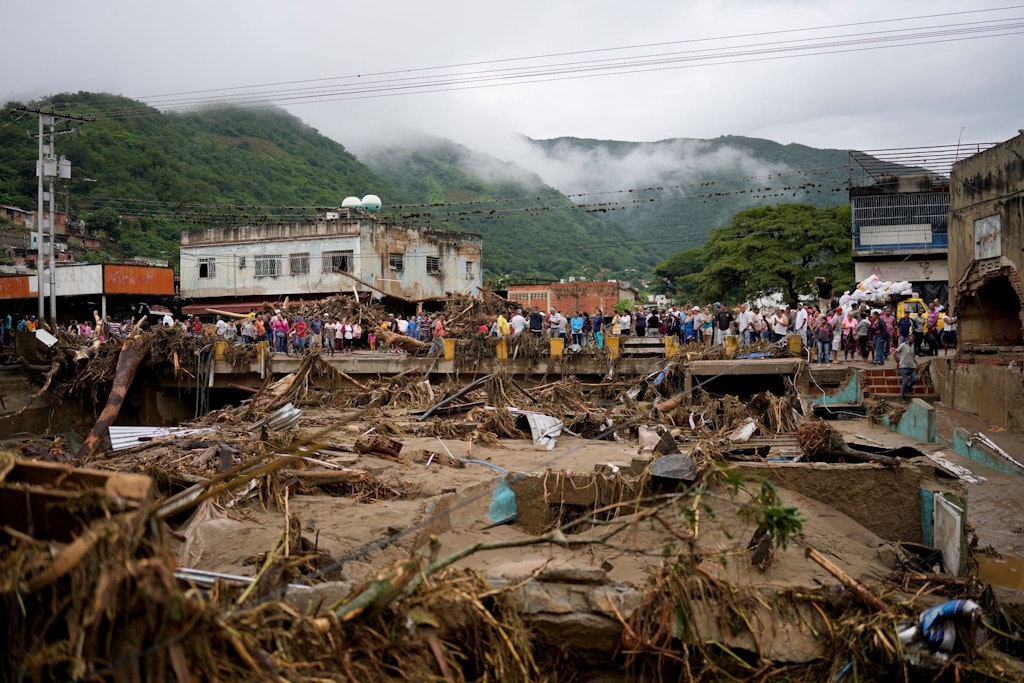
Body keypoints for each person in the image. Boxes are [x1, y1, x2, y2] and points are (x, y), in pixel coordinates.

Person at [897, 334, 917, 403]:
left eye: (913, 339)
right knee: (905, 382)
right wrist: (897, 362)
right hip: (904, 366)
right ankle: (902, 397)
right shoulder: (903, 345)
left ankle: (908, 388)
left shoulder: (913, 346)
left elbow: (912, 356)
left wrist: (916, 363)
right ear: (908, 339)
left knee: (914, 379)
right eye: (910, 339)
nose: (911, 341)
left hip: (911, 366)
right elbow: (894, 353)